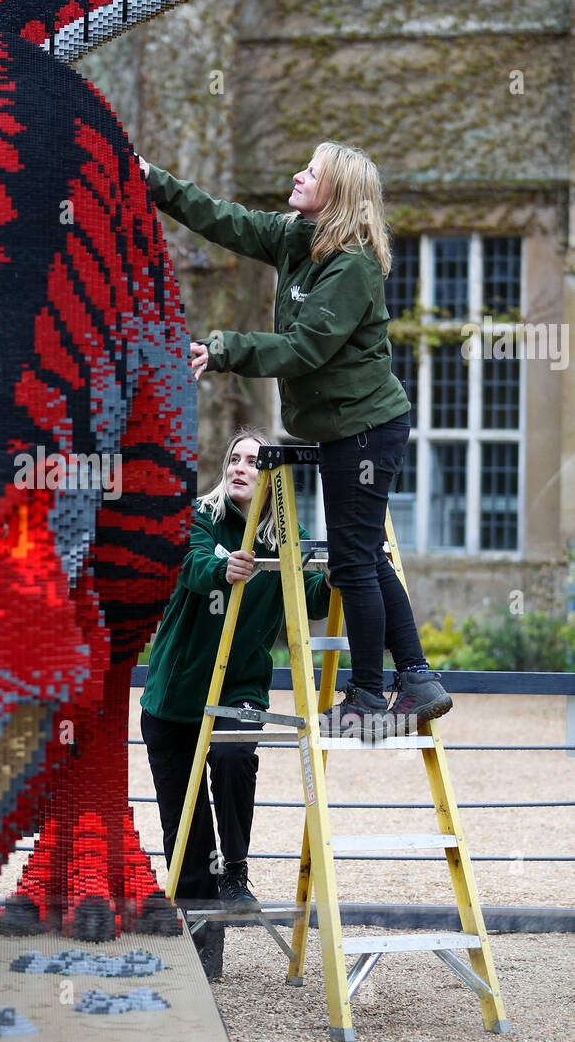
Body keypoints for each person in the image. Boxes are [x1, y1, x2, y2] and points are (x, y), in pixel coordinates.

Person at [139, 143, 452, 745]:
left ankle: (367, 693)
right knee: (361, 555)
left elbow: (307, 347)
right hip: (340, 428)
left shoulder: (353, 265)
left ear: (337, 192)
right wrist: (156, 183)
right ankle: (415, 677)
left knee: (353, 561)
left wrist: (225, 349)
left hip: (366, 428)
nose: (296, 174)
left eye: (311, 172)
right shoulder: (296, 237)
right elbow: (224, 219)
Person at [140, 427, 330, 978]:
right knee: (187, 828)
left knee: (231, 757)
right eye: (234, 458)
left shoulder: (285, 533)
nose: (240, 467)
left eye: (254, 461)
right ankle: (206, 955)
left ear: (273, 478)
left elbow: (309, 597)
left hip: (240, 684)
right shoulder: (199, 516)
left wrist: (343, 572)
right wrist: (224, 567)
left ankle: (237, 874)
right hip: (176, 695)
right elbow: (194, 566)